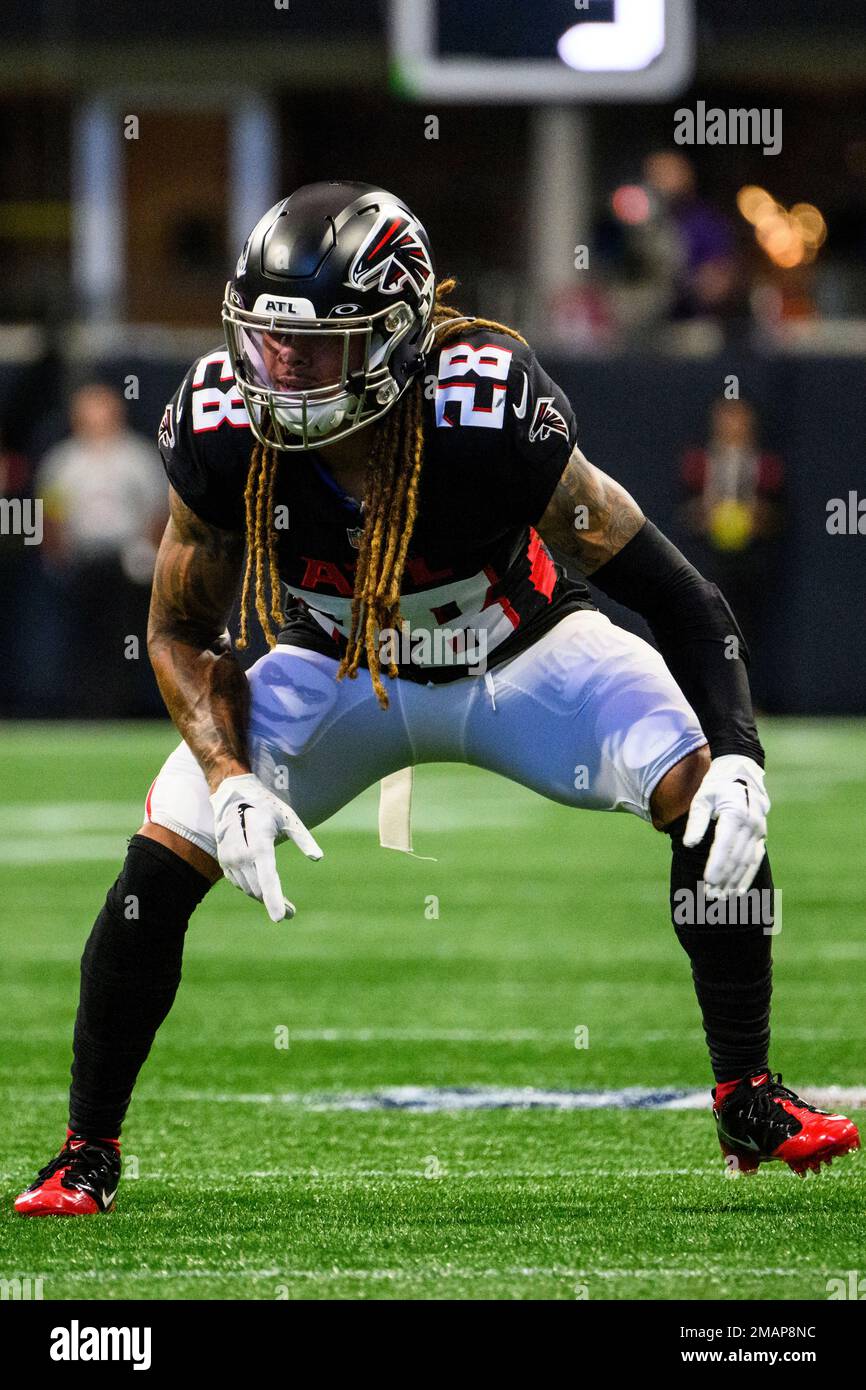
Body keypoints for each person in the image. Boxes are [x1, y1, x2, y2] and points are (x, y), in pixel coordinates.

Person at [15, 183, 857, 1216]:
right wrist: (228, 774)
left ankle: (745, 1090)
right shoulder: (223, 423)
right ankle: (83, 1150)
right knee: (162, 854)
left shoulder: (485, 403)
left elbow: (683, 600)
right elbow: (179, 627)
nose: (281, 368)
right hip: (335, 667)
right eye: (268, 338)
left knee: (709, 795)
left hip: (520, 653)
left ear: (399, 336)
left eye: (317, 345)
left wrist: (736, 747)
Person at [34, 383, 168, 717]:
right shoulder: (64, 459)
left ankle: (121, 707)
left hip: (125, 564)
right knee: (80, 641)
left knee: (124, 640)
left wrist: (148, 555)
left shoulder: (137, 456)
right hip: (83, 562)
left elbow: (158, 512)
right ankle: (81, 708)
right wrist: (56, 557)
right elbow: (51, 513)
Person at [680, 397, 784, 693]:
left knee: (746, 631)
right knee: (706, 630)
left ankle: (748, 698)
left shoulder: (766, 465)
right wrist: (704, 514)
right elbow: (683, 512)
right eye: (727, 418)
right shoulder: (699, 463)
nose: (732, 425)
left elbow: (780, 515)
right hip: (708, 559)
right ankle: (707, 697)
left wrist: (759, 518)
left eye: (739, 419)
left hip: (750, 561)